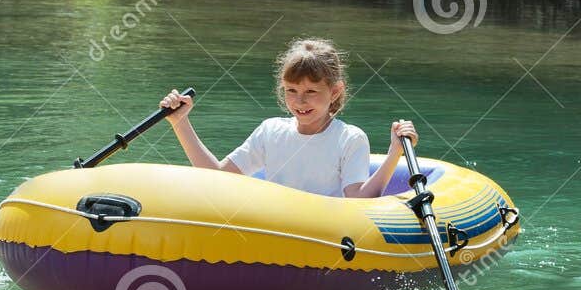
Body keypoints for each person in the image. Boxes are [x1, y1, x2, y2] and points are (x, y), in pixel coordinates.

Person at [160, 38, 417, 198]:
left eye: (311, 92)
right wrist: (180, 123)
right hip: (276, 232)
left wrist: (394, 152)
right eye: (291, 91)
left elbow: (359, 201)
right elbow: (218, 176)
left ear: (335, 91)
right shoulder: (270, 131)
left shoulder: (349, 138)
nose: (299, 101)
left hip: (327, 238)